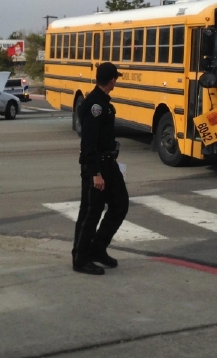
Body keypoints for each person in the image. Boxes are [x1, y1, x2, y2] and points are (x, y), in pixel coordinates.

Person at [71, 62, 128, 275]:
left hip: (109, 163)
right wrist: (95, 173)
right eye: (116, 78)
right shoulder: (95, 105)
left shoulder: (103, 102)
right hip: (96, 166)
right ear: (111, 80)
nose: (116, 82)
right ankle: (80, 258)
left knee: (120, 204)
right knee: (90, 212)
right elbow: (88, 144)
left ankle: (97, 248)